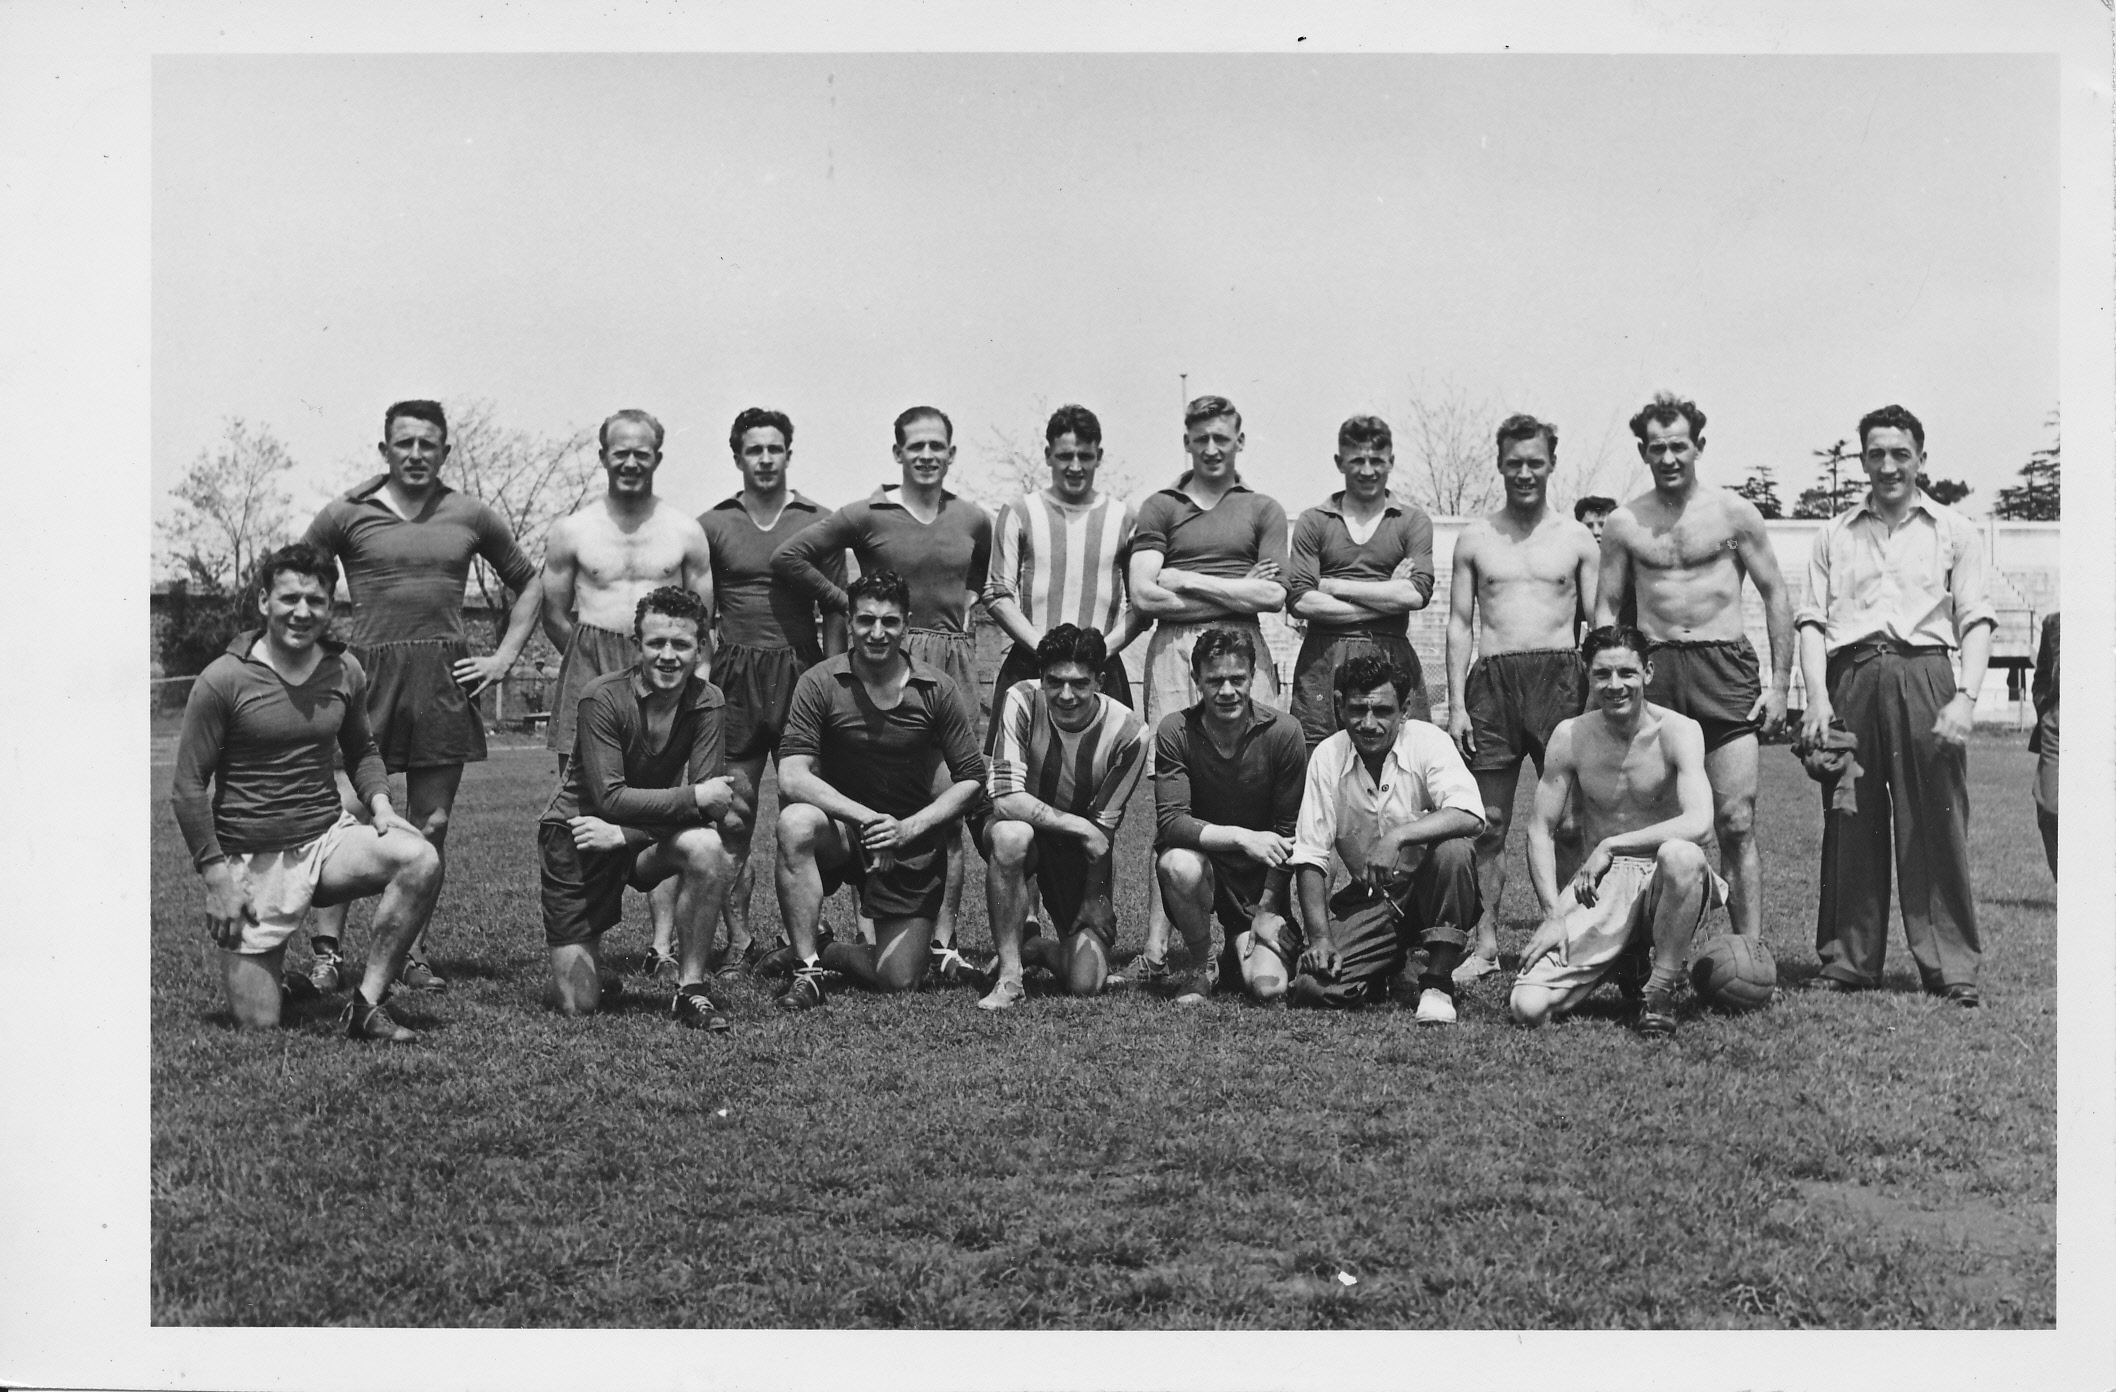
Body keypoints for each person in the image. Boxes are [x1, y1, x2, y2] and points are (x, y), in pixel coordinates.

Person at [300, 399, 543, 994]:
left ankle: (409, 951)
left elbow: (530, 581)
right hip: (367, 678)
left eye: (427, 444)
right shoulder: (346, 513)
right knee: (348, 816)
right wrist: (318, 655)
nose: (415, 454)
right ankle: (328, 953)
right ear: (384, 450)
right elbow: (299, 576)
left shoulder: (470, 514)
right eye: (403, 443)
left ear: (444, 452)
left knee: (430, 822)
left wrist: (504, 656)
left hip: (442, 679)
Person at [171, 543, 439, 1042]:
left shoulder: (345, 670)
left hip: (326, 838)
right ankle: (283, 982)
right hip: (253, 857)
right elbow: (187, 786)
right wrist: (217, 878)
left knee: (419, 859)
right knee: (259, 1023)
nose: (302, 612)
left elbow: (361, 748)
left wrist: (379, 803)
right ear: (263, 602)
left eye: (315, 601)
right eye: (289, 598)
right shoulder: (222, 679)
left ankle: (367, 1004)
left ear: (331, 606)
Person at [772, 406, 994, 977]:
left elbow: (980, 581)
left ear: (951, 452)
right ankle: (855, 933)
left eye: (936, 445)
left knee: (947, 809)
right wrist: (846, 603)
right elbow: (790, 556)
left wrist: (958, 616)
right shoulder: (867, 513)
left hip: (943, 664)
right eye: (914, 445)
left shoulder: (973, 519)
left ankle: (942, 945)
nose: (926, 455)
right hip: (879, 648)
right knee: (864, 780)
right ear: (897, 452)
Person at [1796, 404, 1995, 1006]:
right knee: (1849, 814)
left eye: (1900, 454)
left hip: (1925, 677)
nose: (1888, 465)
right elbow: (1811, 623)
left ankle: (1950, 965)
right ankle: (1849, 960)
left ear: (1921, 459)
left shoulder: (1955, 531)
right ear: (1863, 460)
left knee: (1935, 820)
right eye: (1876, 454)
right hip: (1851, 679)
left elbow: (1976, 619)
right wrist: (1817, 700)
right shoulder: (1833, 534)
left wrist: (1966, 696)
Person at [1594, 393, 1794, 945]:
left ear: (1698, 445)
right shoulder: (1624, 522)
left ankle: (1746, 951)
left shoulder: (1734, 516)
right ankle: (1642, 954)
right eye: (1657, 448)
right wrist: (1611, 674)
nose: (1669, 457)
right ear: (1643, 451)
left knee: (1735, 821)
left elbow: (1776, 593)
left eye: (1679, 445)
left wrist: (1779, 686)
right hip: (1656, 670)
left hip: (1722, 666)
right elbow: (1607, 606)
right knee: (1649, 824)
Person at [769, 571, 990, 1011]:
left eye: (889, 621)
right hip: (843, 831)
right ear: (848, 622)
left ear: (905, 624)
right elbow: (792, 776)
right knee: (795, 821)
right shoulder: (819, 681)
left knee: (899, 979)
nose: (877, 632)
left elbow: (971, 779)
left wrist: (908, 830)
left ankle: (827, 950)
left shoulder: (936, 687)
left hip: (907, 839)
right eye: (866, 619)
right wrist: (867, 821)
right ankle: (808, 968)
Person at [1127, 395, 1291, 982]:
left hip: (1243, 648)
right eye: (1202, 439)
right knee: (1173, 793)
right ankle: (1154, 947)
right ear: (1188, 441)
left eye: (1223, 438)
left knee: (1256, 775)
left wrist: (1184, 577)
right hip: (1173, 651)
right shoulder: (1160, 506)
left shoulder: (1262, 508)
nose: (1213, 448)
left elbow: (1273, 596)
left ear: (1239, 440)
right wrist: (1234, 584)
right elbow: (1144, 594)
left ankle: (1258, 924)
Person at [536, 587, 751, 1028]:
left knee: (707, 848)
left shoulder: (708, 701)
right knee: (579, 1004)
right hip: (579, 835)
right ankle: (580, 970)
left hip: (634, 835)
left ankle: (691, 989)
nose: (668, 656)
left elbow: (712, 806)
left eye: (681, 644)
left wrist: (630, 835)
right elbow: (610, 797)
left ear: (701, 647)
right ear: (637, 647)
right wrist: (692, 798)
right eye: (656, 643)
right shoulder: (601, 696)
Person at [680, 407, 844, 981]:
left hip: (803, 673)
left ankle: (810, 935)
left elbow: (836, 607)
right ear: (737, 457)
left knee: (810, 810)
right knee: (732, 814)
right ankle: (742, 941)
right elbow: (698, 612)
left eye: (775, 449)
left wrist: (835, 673)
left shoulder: (820, 521)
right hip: (735, 678)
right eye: (755, 450)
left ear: (788, 454)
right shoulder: (712, 524)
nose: (766, 459)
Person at [1444, 413, 1600, 983]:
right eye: (1515, 463)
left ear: (1552, 463)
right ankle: (1484, 945)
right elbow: (1460, 622)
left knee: (1569, 821)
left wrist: (1598, 699)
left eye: (1536, 462)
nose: (1525, 472)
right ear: (1500, 464)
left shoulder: (1578, 538)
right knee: (1487, 821)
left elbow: (1599, 621)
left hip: (1562, 678)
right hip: (1492, 683)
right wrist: (1458, 703)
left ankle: (1568, 935)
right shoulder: (1476, 538)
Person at [1509, 625, 1724, 1036]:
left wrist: (1611, 843)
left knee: (1681, 855)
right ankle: (1630, 960)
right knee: (1526, 1007)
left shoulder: (1679, 730)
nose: (1615, 685)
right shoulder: (1570, 736)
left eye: (1626, 672)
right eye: (1602, 674)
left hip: (1666, 879)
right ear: (1587, 675)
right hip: (1601, 890)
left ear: (1648, 672)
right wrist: (1552, 914)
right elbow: (1539, 829)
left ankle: (1659, 990)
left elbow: (1700, 824)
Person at [1287, 652, 1483, 1021]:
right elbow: (1311, 854)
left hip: (1430, 889)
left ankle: (1438, 982)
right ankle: (1386, 967)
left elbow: (1471, 815)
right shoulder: (1327, 757)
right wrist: (1320, 939)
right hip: (1374, 900)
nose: (1369, 723)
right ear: (1339, 707)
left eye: (1383, 711)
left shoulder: (1429, 741)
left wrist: (1397, 838)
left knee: (1454, 850)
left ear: (1405, 709)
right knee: (1312, 987)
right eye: (1358, 709)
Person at [974, 625, 1149, 1010]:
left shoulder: (1131, 733)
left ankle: (1036, 948)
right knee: (1012, 836)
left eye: (1079, 683)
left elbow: (1102, 834)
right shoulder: (1020, 698)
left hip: (1074, 848)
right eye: (1054, 682)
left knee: (1085, 982)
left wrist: (1094, 897)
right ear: (1042, 677)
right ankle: (1010, 976)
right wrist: (1080, 825)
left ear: (1100, 681)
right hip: (1023, 828)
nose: (1065, 695)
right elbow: (1005, 800)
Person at [541, 408, 715, 775]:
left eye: (641, 453)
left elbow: (703, 621)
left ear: (658, 458)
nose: (631, 463)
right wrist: (587, 653)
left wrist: (692, 678)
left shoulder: (685, 530)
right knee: (579, 787)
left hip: (663, 665)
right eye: (621, 453)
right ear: (603, 456)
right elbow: (554, 614)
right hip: (588, 661)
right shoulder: (573, 530)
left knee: (661, 787)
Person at [1151, 626, 1308, 1005]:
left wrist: (1267, 910)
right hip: (1204, 868)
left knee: (1269, 987)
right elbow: (1172, 823)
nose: (1226, 691)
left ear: (1253, 677)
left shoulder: (1284, 732)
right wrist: (1241, 836)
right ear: (1196, 680)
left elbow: (1287, 833)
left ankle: (1238, 950)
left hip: (1256, 884)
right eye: (1214, 680)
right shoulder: (1176, 729)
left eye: (1237, 679)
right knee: (1176, 864)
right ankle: (1203, 965)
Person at [1285, 414, 1436, 747]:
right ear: (1339, 462)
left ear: (1391, 462)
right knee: (1320, 765)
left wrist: (1331, 585)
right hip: (1324, 660)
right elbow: (1300, 600)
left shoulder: (1412, 521)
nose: (1368, 470)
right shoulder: (1314, 521)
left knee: (1403, 765)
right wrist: (1386, 598)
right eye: (1357, 460)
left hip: (1390, 654)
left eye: (1376, 461)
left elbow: (1415, 594)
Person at [982, 403, 1145, 705]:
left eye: (1085, 456)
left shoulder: (1126, 519)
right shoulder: (1020, 511)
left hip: (1101, 668)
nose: (1075, 466)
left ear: (1099, 456)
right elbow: (996, 593)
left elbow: (1140, 605)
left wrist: (1101, 651)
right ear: (1048, 455)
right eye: (1065, 456)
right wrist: (1043, 649)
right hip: (1031, 663)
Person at [2030, 612, 2058, 876]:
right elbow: (2040, 678)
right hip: (2058, 727)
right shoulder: (2053, 623)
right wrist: (2046, 710)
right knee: (2049, 807)